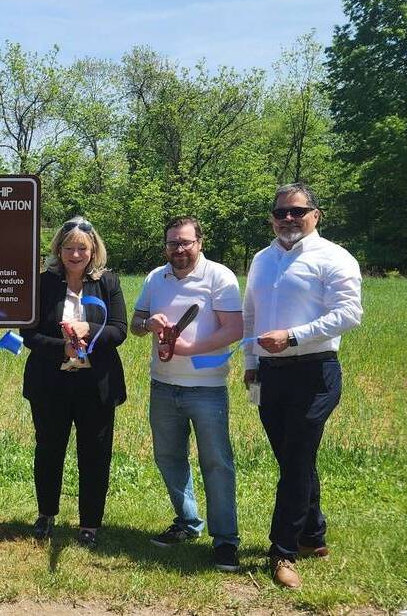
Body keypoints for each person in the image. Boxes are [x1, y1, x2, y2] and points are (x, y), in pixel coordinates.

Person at [243, 183, 363, 589]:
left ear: (316, 214)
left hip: (315, 373)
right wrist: (250, 363)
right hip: (269, 373)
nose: (289, 219)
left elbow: (349, 313)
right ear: (272, 218)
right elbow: (250, 314)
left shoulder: (334, 257)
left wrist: (293, 336)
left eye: (297, 211)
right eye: (281, 213)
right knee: (293, 457)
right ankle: (313, 535)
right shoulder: (262, 259)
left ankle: (283, 551)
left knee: (295, 458)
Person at [130, 216, 243, 572]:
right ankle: (188, 522)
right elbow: (135, 325)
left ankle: (226, 541)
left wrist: (189, 349)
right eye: (172, 243)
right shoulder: (155, 278)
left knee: (217, 464)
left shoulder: (220, 276)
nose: (178, 249)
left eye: (185, 242)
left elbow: (234, 329)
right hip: (162, 385)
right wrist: (148, 324)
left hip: (207, 389)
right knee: (169, 458)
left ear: (199, 242)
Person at [19, 216, 127, 548]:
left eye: (82, 248)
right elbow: (29, 334)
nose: (75, 254)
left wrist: (88, 330)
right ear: (58, 250)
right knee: (49, 449)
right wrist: (62, 347)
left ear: (93, 250)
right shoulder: (43, 283)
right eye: (68, 248)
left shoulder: (108, 282)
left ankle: (90, 524)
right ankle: (46, 515)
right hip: (50, 383)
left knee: (95, 453)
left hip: (96, 385)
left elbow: (119, 330)